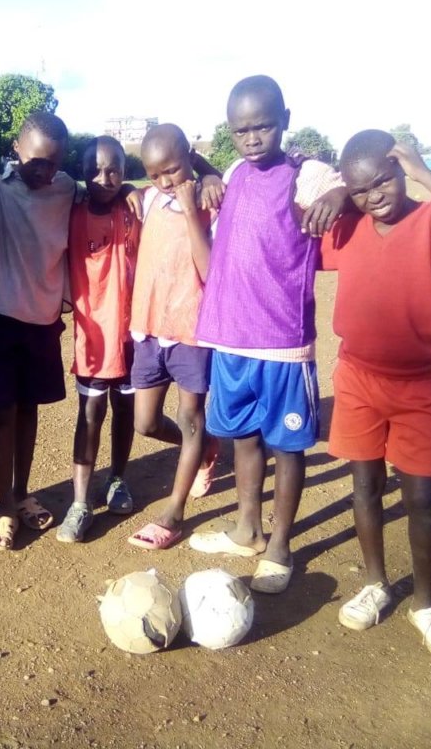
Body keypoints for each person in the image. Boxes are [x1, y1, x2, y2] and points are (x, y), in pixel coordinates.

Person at [322, 130, 431, 662]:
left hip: (417, 385)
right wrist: (336, 196)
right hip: (357, 379)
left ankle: (426, 605)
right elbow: (300, 231)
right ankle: (375, 583)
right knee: (365, 485)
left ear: (400, 170)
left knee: (420, 497)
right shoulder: (349, 227)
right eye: (360, 189)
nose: (374, 196)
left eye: (384, 181)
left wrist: (426, 174)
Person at [190, 75, 349, 593]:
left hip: (283, 340)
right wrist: (208, 176)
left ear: (285, 120)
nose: (253, 138)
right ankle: (247, 529)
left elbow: (350, 187)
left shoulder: (308, 173)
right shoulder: (235, 171)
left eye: (263, 126)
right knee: (243, 437)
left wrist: (341, 194)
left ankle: (280, 546)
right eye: (241, 130)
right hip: (231, 336)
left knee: (288, 445)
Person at [0, 111, 76, 551]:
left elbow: (107, 192)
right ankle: (3, 506)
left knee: (29, 411)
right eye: (35, 161)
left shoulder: (67, 188)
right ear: (16, 149)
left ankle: (21, 493)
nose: (44, 171)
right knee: (2, 414)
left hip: (44, 322)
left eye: (53, 163)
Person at [122, 124, 216, 550]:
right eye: (154, 174)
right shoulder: (148, 199)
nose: (165, 181)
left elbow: (208, 269)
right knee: (146, 423)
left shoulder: (209, 203)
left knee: (191, 415)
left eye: (173, 170)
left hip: (191, 331)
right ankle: (203, 447)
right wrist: (132, 187)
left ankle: (174, 512)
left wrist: (197, 195)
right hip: (148, 328)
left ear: (190, 157)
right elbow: (125, 190)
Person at [58, 135, 140, 543]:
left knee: (125, 409)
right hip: (92, 337)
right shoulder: (70, 213)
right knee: (90, 415)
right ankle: (80, 502)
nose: (104, 178)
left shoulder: (134, 211)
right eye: (94, 170)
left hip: (132, 335)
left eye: (114, 171)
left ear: (125, 173)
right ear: (81, 172)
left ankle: (118, 479)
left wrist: (131, 191)